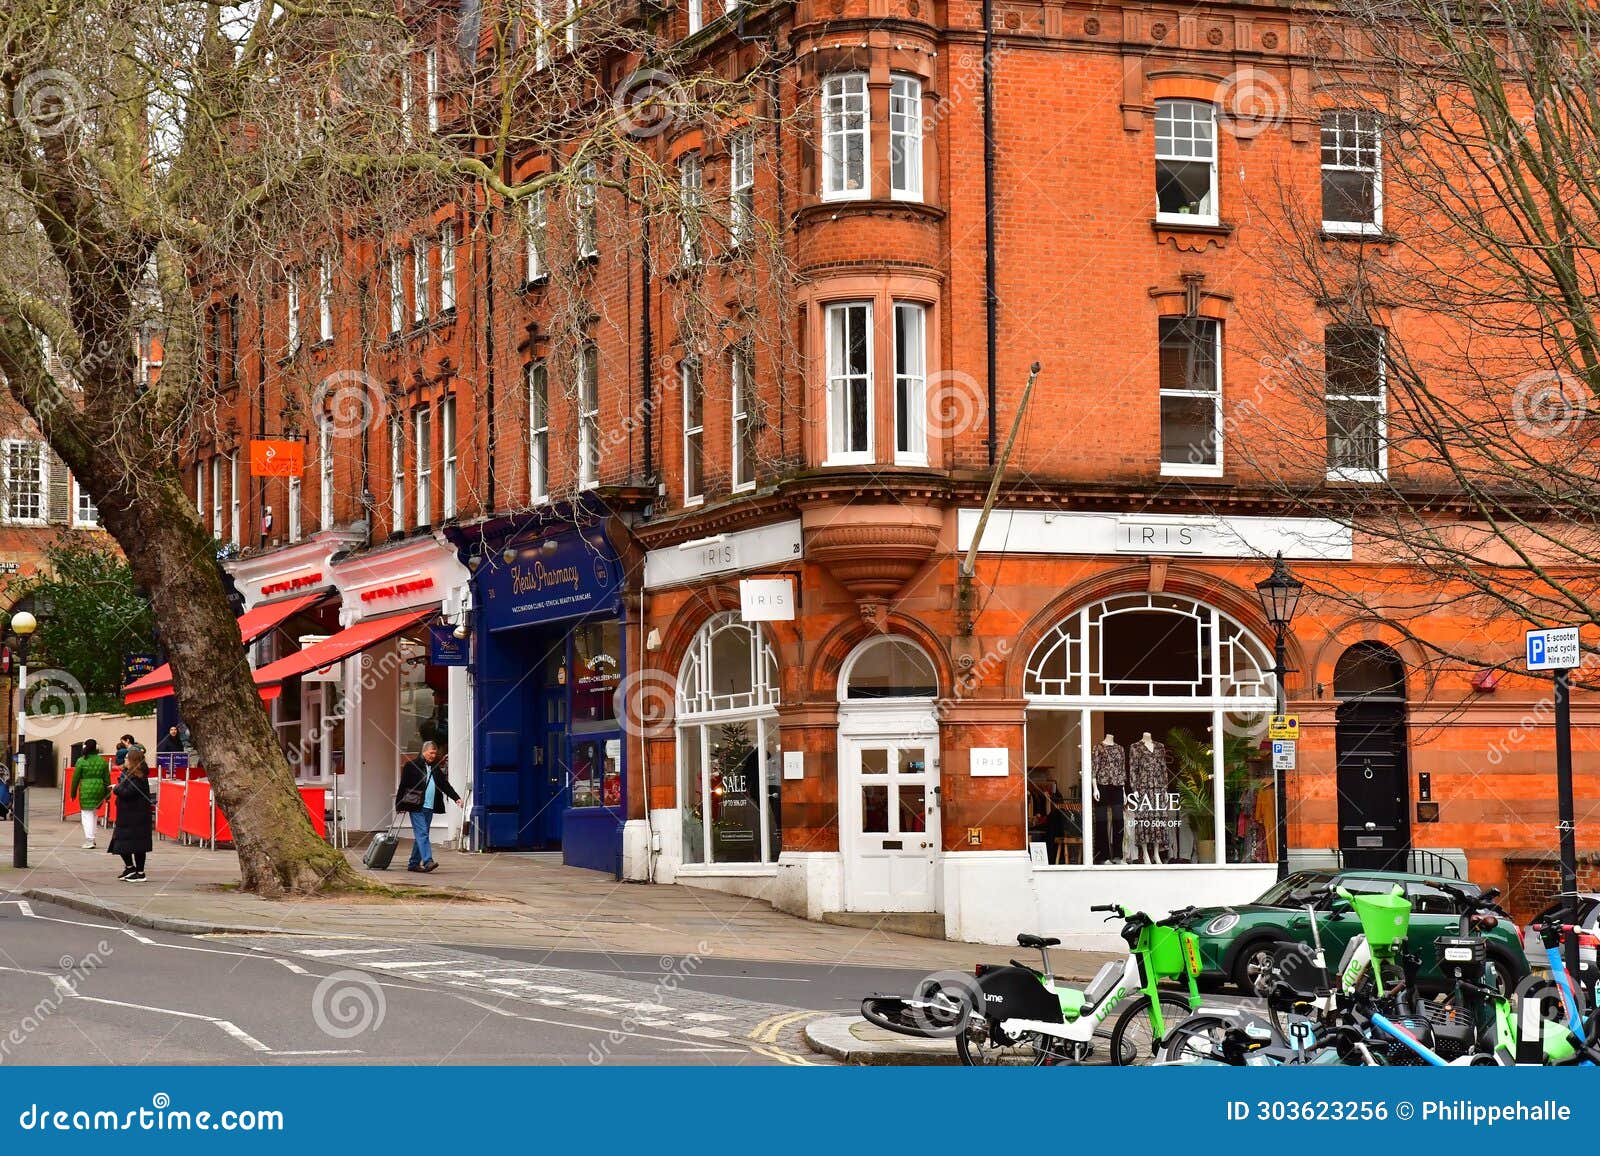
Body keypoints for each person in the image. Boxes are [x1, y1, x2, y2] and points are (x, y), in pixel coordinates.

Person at [394, 741, 459, 873]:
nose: (433, 756)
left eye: (435, 753)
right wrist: (399, 804)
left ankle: (413, 863)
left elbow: (444, 785)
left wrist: (456, 798)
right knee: (422, 833)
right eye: (431, 753)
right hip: (416, 805)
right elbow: (403, 785)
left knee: (422, 834)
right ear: (424, 752)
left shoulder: (435, 767)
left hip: (429, 806)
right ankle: (428, 861)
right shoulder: (411, 766)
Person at [108, 748, 155, 882]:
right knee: (121, 843)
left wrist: (115, 788)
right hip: (127, 814)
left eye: (127, 758)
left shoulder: (138, 776)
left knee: (137, 845)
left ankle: (140, 873)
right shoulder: (130, 773)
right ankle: (130, 868)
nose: (125, 760)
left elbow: (128, 792)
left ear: (133, 760)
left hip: (137, 815)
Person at [69, 740, 111, 849]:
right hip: (100, 788)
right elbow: (107, 778)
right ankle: (92, 838)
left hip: (86, 789)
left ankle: (89, 839)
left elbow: (76, 778)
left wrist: (73, 792)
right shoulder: (102, 761)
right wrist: (108, 793)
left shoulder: (81, 761)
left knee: (86, 815)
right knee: (94, 814)